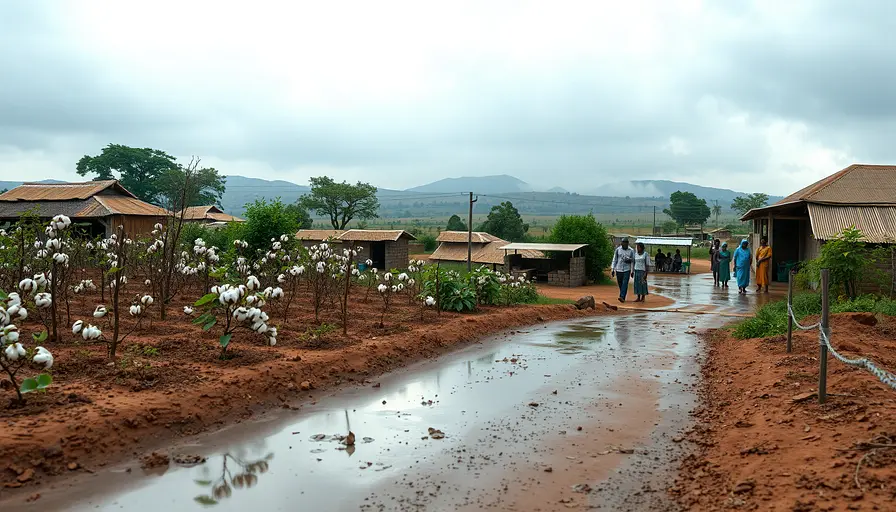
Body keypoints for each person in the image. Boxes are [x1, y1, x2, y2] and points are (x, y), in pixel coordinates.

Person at [610, 238, 635, 303]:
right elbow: (614, 259)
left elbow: (633, 261)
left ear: (627, 243)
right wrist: (613, 269)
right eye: (623, 243)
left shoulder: (631, 250)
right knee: (620, 283)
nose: (624, 244)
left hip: (627, 269)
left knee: (625, 283)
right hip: (619, 269)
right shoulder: (618, 250)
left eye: (625, 243)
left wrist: (632, 271)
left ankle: (622, 297)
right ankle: (622, 294)